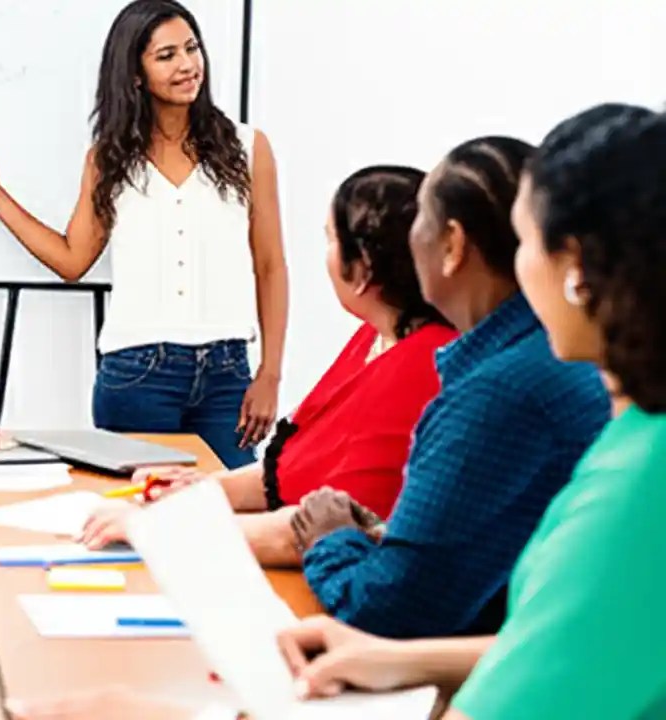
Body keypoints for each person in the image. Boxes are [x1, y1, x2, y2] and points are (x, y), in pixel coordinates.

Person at [276, 104, 666, 720]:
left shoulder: (627, 472)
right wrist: (399, 661)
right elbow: (564, 637)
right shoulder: (636, 429)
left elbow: (398, 606)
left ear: (575, 268)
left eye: (526, 241)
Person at [0, 0, 289, 469]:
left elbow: (270, 265)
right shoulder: (109, 159)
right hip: (138, 376)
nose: (187, 65)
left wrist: (270, 374)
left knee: (235, 513)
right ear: (136, 73)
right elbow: (71, 260)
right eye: (166, 55)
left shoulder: (248, 148)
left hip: (228, 373)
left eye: (192, 48)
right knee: (137, 518)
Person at [287, 136, 610, 639]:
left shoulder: (496, 391)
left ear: (453, 246)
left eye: (419, 220)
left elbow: (391, 606)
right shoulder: (538, 358)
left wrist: (331, 540)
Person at [79, 166, 456, 565]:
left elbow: (331, 524)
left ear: (362, 268)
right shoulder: (377, 335)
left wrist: (157, 528)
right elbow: (302, 466)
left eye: (330, 239)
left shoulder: (423, 365)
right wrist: (208, 490)